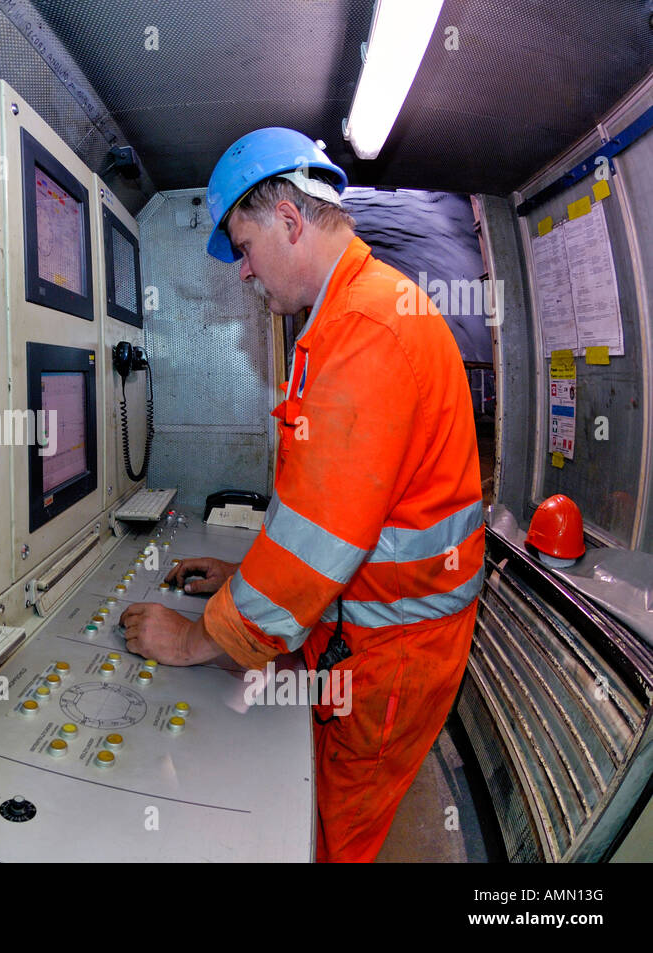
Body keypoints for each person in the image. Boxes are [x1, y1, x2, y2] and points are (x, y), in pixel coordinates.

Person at [119, 127, 485, 862]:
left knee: (333, 836)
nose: (246, 273)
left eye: (246, 247)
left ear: (289, 220)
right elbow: (323, 517)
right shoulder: (350, 315)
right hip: (364, 631)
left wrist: (194, 638)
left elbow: (316, 548)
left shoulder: (366, 329)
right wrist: (244, 573)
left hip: (387, 661)